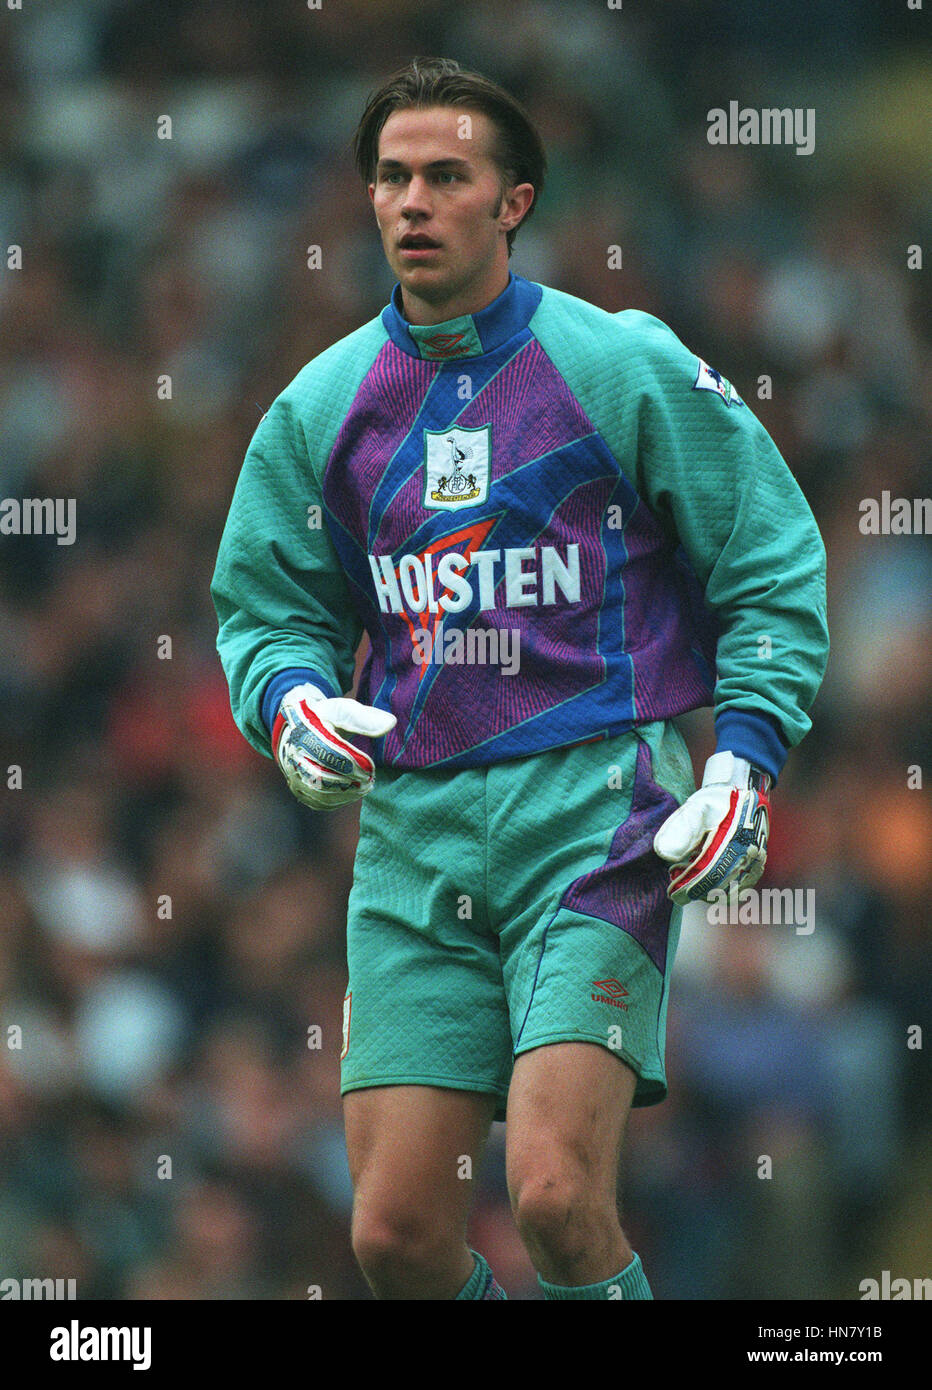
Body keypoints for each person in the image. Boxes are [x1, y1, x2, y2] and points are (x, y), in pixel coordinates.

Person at [211, 57, 829, 1301]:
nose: (412, 202)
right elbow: (267, 612)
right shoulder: (320, 407)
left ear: (514, 201)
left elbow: (766, 556)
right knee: (392, 1240)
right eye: (390, 177)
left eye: (447, 176)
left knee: (552, 1196)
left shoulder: (616, 365)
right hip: (414, 836)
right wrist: (289, 703)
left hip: (594, 812)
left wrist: (743, 758)